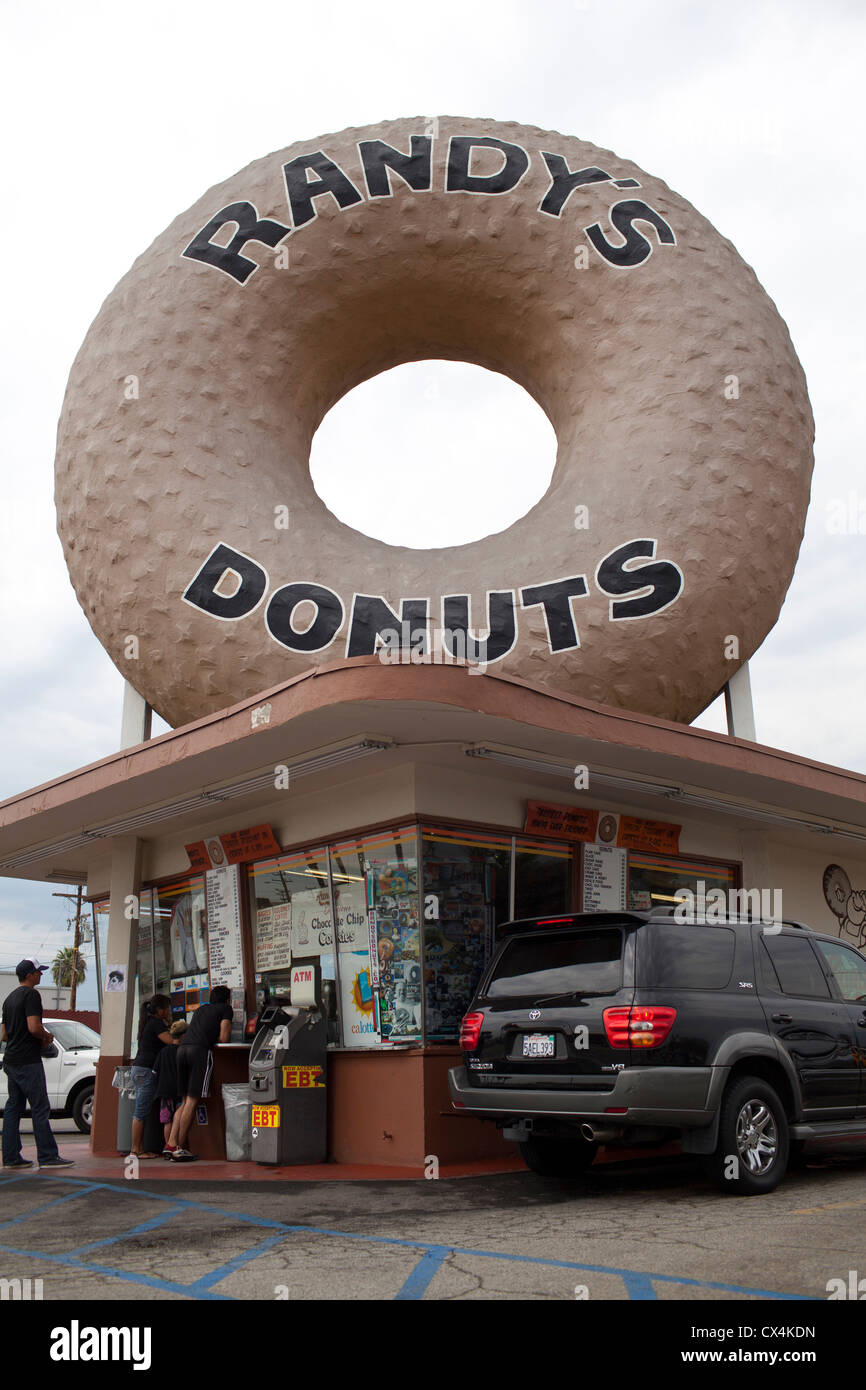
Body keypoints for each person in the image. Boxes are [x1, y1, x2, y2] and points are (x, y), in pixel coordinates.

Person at [1, 959, 74, 1169]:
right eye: (39, 972)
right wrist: (47, 1036)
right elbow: (34, 1027)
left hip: (12, 1060)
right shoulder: (31, 995)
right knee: (40, 1107)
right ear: (30, 974)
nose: (41, 975)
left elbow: (4, 1035)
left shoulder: (9, 999)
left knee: (13, 1107)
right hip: (28, 1061)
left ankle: (11, 1156)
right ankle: (48, 1155)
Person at [168, 985, 233, 1162]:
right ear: (227, 999)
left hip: (182, 1050)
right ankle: (180, 1148)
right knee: (193, 1100)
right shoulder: (226, 1009)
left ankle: (172, 1143)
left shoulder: (201, 1009)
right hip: (199, 1052)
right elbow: (225, 1037)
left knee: (184, 1100)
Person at [129, 993, 172, 1159]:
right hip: (145, 1071)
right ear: (160, 1010)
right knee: (141, 1111)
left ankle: (139, 1149)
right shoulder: (156, 1024)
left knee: (142, 1110)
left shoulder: (150, 1023)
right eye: (167, 1008)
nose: (169, 1011)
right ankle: (135, 1150)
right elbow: (171, 1041)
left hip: (140, 1069)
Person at [153, 1019, 187, 1158]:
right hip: (179, 1091)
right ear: (183, 1035)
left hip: (164, 1091)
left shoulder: (163, 1052)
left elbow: (155, 1071)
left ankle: (168, 1146)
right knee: (179, 1119)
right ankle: (177, 1146)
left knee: (167, 1121)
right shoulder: (183, 1051)